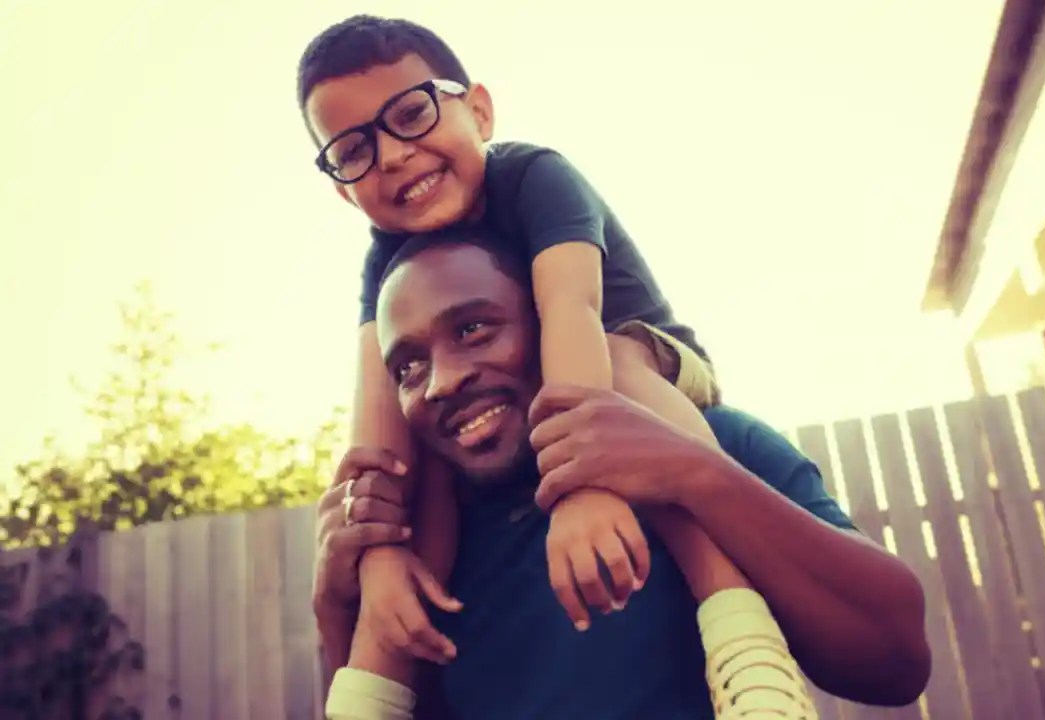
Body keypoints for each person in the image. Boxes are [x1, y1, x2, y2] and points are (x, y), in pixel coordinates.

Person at [297, 14, 827, 716]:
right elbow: (378, 429)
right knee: (419, 467)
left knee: (618, 362)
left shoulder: (534, 176)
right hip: (552, 402)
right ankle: (369, 700)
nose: (392, 154)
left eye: (411, 113)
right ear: (342, 188)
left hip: (646, 368)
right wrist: (382, 558)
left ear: (478, 109)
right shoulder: (382, 261)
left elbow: (573, 307)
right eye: (353, 150)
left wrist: (587, 490)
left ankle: (750, 664)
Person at [314, 231, 931, 719]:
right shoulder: (425, 551)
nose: (443, 380)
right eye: (409, 367)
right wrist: (335, 608)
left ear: (550, 329)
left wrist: (694, 472)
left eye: (474, 329)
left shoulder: (713, 440)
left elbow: (895, 662)